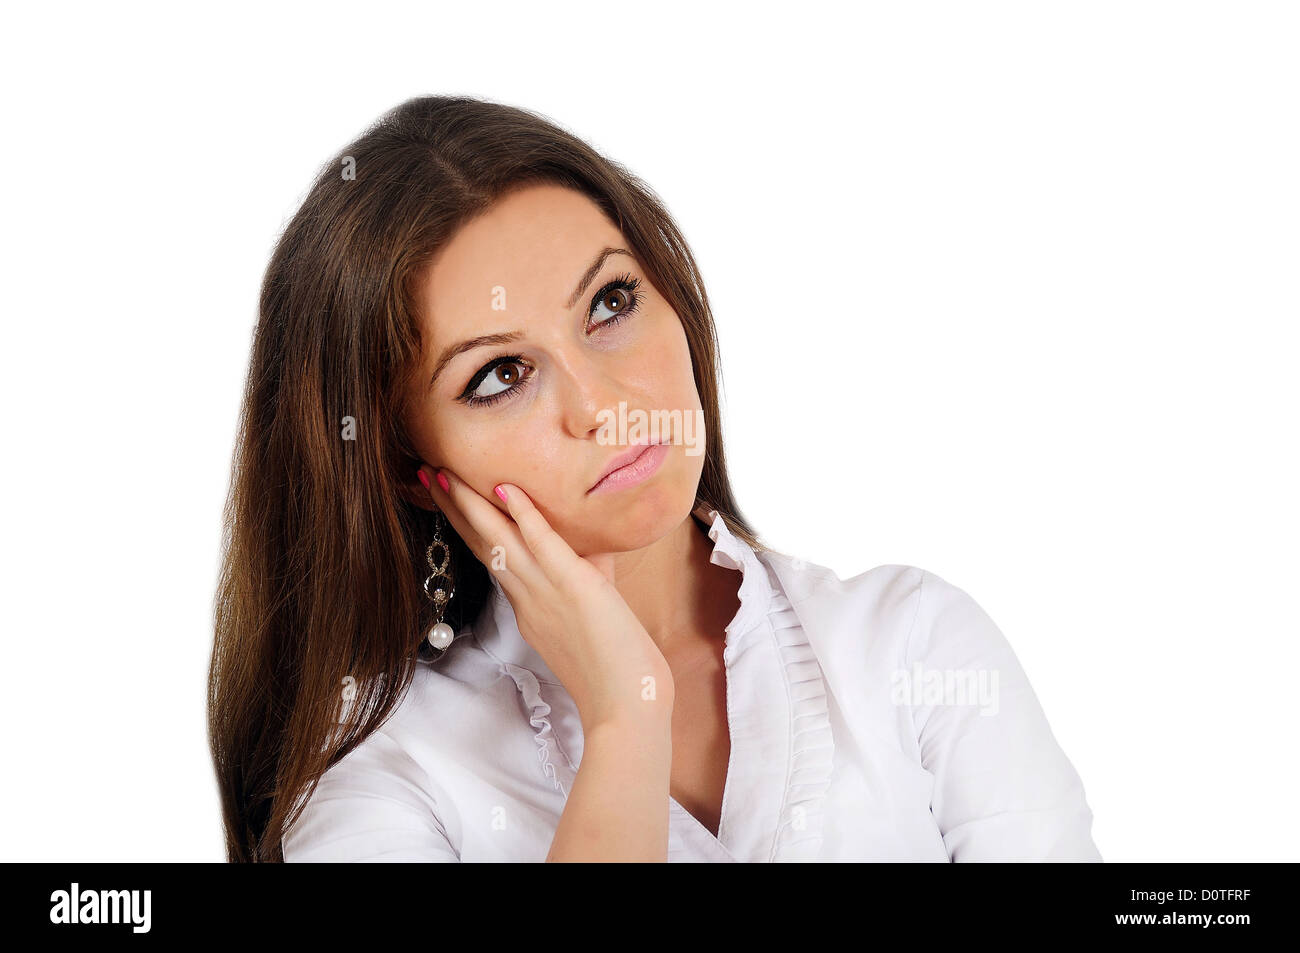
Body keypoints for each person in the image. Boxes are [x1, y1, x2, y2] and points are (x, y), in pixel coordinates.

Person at [209, 95, 1101, 862]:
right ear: (413, 472)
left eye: (609, 302)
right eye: (500, 375)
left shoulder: (912, 648)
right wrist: (624, 722)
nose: (604, 404)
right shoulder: (384, 782)